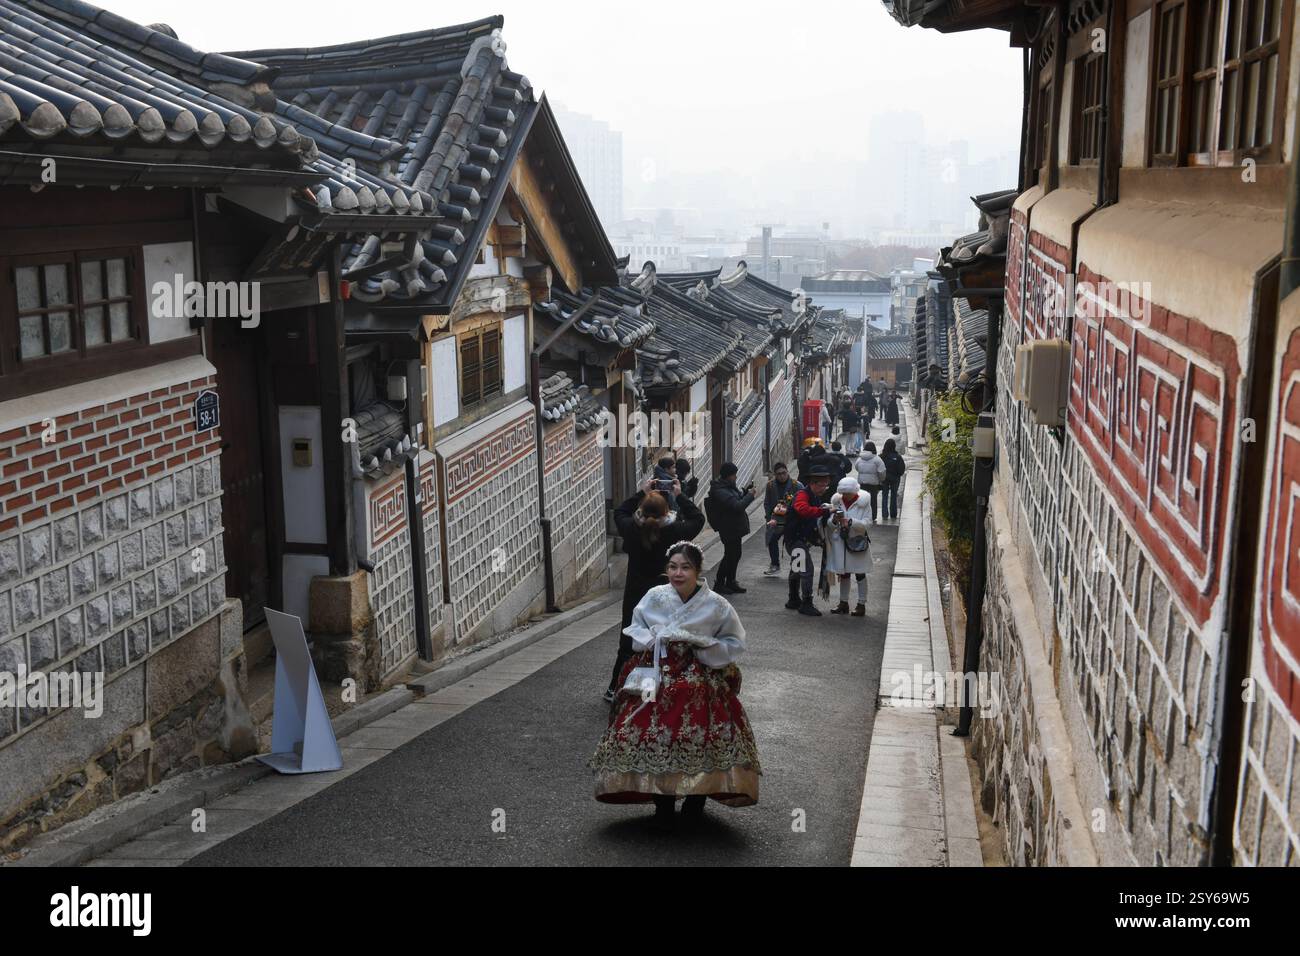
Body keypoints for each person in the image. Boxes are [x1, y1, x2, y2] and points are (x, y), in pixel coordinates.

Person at [590, 541, 760, 826]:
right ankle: (663, 802)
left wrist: (702, 644)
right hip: (657, 669)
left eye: (685, 567)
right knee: (650, 732)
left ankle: (696, 800)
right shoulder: (654, 596)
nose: (678, 573)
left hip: (701, 671)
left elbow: (733, 642)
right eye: (672, 567)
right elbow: (635, 632)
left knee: (702, 732)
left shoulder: (717, 604)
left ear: (698, 570)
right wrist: (655, 638)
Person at [606, 485, 705, 703]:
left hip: (636, 592)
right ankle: (664, 687)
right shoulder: (675, 530)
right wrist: (680, 494)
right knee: (666, 641)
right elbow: (698, 519)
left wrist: (641, 492)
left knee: (629, 640)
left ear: (642, 509)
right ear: (665, 511)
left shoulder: (631, 528)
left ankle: (616, 686)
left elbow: (621, 511)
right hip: (666, 595)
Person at [785, 465, 832, 616]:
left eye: (826, 485)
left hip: (799, 539)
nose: (824, 488)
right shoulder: (802, 495)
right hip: (795, 539)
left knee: (797, 569)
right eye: (822, 485)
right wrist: (823, 511)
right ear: (813, 483)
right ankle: (806, 602)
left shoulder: (815, 496)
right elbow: (802, 509)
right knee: (807, 569)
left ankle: (793, 599)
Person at [704, 462, 756, 594]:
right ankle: (720, 583)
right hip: (728, 527)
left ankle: (731, 581)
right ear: (728, 476)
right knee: (730, 555)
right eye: (734, 475)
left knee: (735, 554)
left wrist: (745, 492)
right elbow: (737, 506)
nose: (736, 477)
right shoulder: (719, 490)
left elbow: (736, 499)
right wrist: (750, 496)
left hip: (734, 526)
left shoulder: (728, 486)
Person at [824, 476, 872, 616]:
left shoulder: (864, 503)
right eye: (843, 493)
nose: (845, 496)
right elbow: (829, 524)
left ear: (855, 491)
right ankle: (843, 603)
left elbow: (868, 523)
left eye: (847, 493)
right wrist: (833, 520)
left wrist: (851, 521)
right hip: (840, 542)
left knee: (860, 573)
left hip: (857, 542)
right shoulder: (836, 501)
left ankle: (861, 604)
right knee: (843, 573)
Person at [762, 462, 801, 576]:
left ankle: (796, 567)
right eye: (779, 474)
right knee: (771, 540)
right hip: (775, 520)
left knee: (794, 544)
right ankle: (775, 564)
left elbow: (802, 502)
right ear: (775, 475)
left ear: (787, 472)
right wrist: (769, 518)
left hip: (791, 520)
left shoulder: (796, 485)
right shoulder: (770, 485)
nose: (782, 476)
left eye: (784, 473)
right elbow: (767, 503)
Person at [854, 441, 887, 522]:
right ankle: (873, 516)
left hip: (862, 483)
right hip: (873, 483)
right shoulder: (877, 459)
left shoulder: (860, 458)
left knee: (862, 499)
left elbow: (856, 467)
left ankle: (862, 515)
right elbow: (882, 472)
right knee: (873, 500)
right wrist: (881, 480)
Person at [881, 438, 907, 521]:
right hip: (895, 479)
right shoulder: (898, 457)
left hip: (884, 479)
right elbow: (902, 469)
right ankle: (893, 514)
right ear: (894, 446)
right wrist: (898, 475)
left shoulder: (882, 456)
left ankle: (884, 514)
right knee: (893, 496)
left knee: (884, 495)